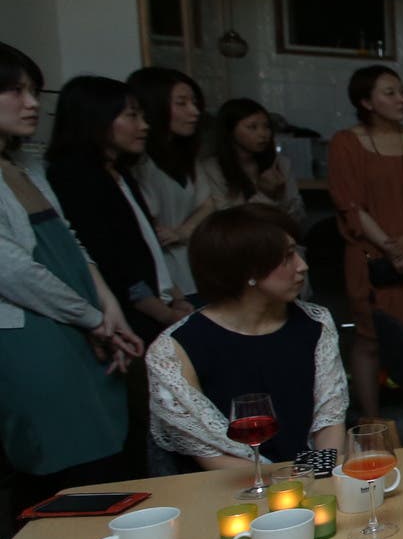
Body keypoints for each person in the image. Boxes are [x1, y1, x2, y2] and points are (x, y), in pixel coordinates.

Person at [0, 43, 142, 512]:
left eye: (34, 91)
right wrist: (92, 318)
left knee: (107, 452)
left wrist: (108, 306)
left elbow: (70, 241)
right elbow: (13, 270)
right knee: (59, 458)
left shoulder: (27, 164)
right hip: (31, 331)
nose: (32, 104)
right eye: (15, 91)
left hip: (81, 316)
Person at [146, 206, 345, 470]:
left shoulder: (315, 323)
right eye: (287, 257)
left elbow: (329, 421)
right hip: (226, 488)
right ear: (247, 270)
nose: (302, 266)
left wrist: (320, 478)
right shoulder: (174, 349)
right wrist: (283, 484)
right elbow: (208, 452)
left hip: (313, 481)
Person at [327, 65, 403, 418]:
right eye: (390, 93)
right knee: (370, 336)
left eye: (401, 91)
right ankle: (372, 419)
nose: (402, 99)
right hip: (370, 249)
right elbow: (350, 204)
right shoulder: (345, 143)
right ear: (366, 102)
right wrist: (391, 247)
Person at [45, 75, 192, 344]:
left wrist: (177, 297)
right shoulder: (74, 176)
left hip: (160, 306)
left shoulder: (120, 171)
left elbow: (146, 244)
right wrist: (165, 315)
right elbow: (110, 259)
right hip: (128, 320)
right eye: (132, 116)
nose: (144, 126)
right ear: (94, 118)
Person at [127, 67, 212, 299]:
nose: (194, 112)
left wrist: (182, 232)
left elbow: (207, 204)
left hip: (192, 266)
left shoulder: (187, 157)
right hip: (159, 277)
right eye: (181, 103)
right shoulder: (139, 162)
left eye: (194, 103)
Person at [199, 98, 305, 227]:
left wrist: (280, 196)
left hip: (280, 235)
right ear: (230, 131)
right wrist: (265, 194)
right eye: (252, 127)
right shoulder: (212, 168)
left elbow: (298, 217)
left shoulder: (281, 163)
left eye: (267, 126)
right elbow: (226, 224)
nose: (263, 134)